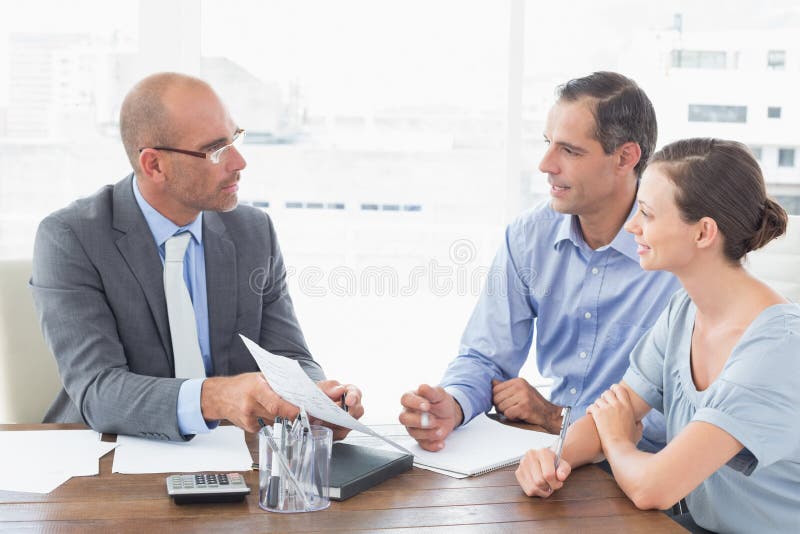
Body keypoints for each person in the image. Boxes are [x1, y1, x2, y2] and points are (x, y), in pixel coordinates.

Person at [30, 72, 363, 441]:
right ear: (154, 165)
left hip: (231, 455)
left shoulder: (254, 232)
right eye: (217, 150)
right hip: (100, 457)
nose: (239, 161)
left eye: (235, 138)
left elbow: (288, 356)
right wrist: (216, 398)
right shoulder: (71, 238)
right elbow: (99, 390)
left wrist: (319, 399)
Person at [516, 138, 800, 533]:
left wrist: (617, 440)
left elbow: (654, 487)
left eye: (647, 214)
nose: (632, 225)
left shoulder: (779, 348)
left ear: (703, 233)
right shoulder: (684, 311)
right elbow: (617, 410)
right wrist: (553, 458)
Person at [399, 71, 680, 451]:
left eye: (570, 150)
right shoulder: (529, 237)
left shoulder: (679, 255)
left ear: (625, 157)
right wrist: (454, 404)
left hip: (648, 473)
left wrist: (558, 417)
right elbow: (486, 355)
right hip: (556, 460)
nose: (546, 164)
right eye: (548, 143)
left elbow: (683, 416)